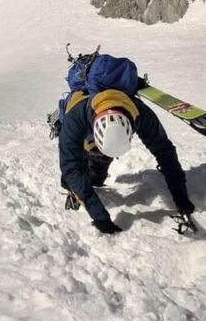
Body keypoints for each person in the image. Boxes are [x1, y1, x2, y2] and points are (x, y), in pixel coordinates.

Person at [58, 53, 193, 235]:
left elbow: (165, 152)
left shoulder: (141, 114)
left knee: (95, 178)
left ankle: (96, 164)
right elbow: (71, 167)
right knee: (71, 177)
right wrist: (100, 217)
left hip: (100, 130)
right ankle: (74, 190)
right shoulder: (75, 116)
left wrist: (180, 196)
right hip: (82, 130)